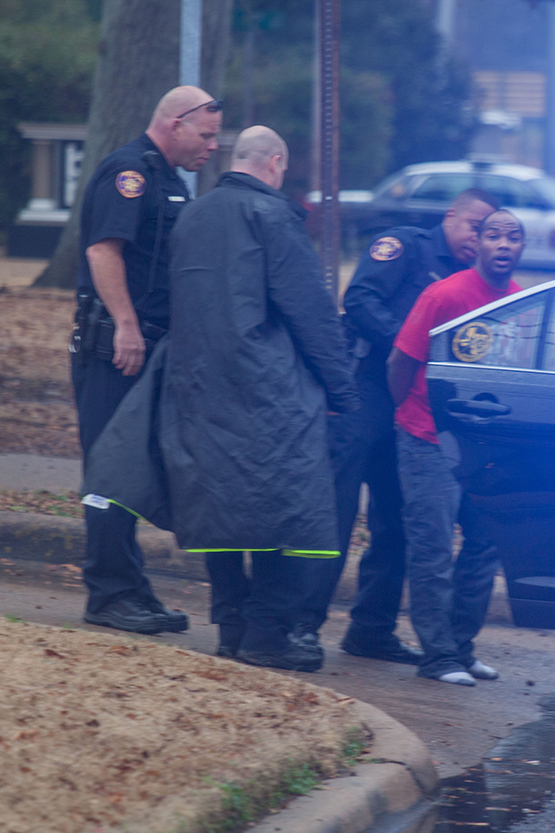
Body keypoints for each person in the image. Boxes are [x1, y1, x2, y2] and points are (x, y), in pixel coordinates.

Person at [84, 126, 359, 672]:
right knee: (280, 509)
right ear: (275, 163)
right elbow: (310, 314)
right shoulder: (274, 216)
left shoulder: (194, 214)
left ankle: (231, 627)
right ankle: (267, 633)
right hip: (267, 390)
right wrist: (344, 392)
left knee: (220, 509)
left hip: (197, 383)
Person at [295, 189, 499, 664]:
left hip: (411, 407)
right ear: (451, 216)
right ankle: (302, 625)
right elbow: (360, 300)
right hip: (363, 392)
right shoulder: (405, 247)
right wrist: (408, 345)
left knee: (397, 522)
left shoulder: (470, 279)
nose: (480, 237)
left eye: (488, 231)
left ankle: (371, 629)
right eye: (475, 226)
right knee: (337, 514)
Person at [70, 86, 222, 635]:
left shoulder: (167, 180)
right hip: (115, 347)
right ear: (175, 123)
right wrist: (129, 327)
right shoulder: (129, 172)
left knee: (132, 470)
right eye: (205, 135)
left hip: (147, 349)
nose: (211, 147)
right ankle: (107, 594)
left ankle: (129, 587)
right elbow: (102, 250)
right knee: (109, 470)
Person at [386, 209, 527, 685]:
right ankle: (437, 657)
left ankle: (462, 648)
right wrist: (410, 415)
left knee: (486, 542)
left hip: (483, 449)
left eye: (513, 237)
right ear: (479, 244)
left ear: (521, 248)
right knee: (433, 549)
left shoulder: (520, 304)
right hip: (428, 439)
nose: (503, 244)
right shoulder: (444, 294)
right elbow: (400, 363)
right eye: (494, 235)